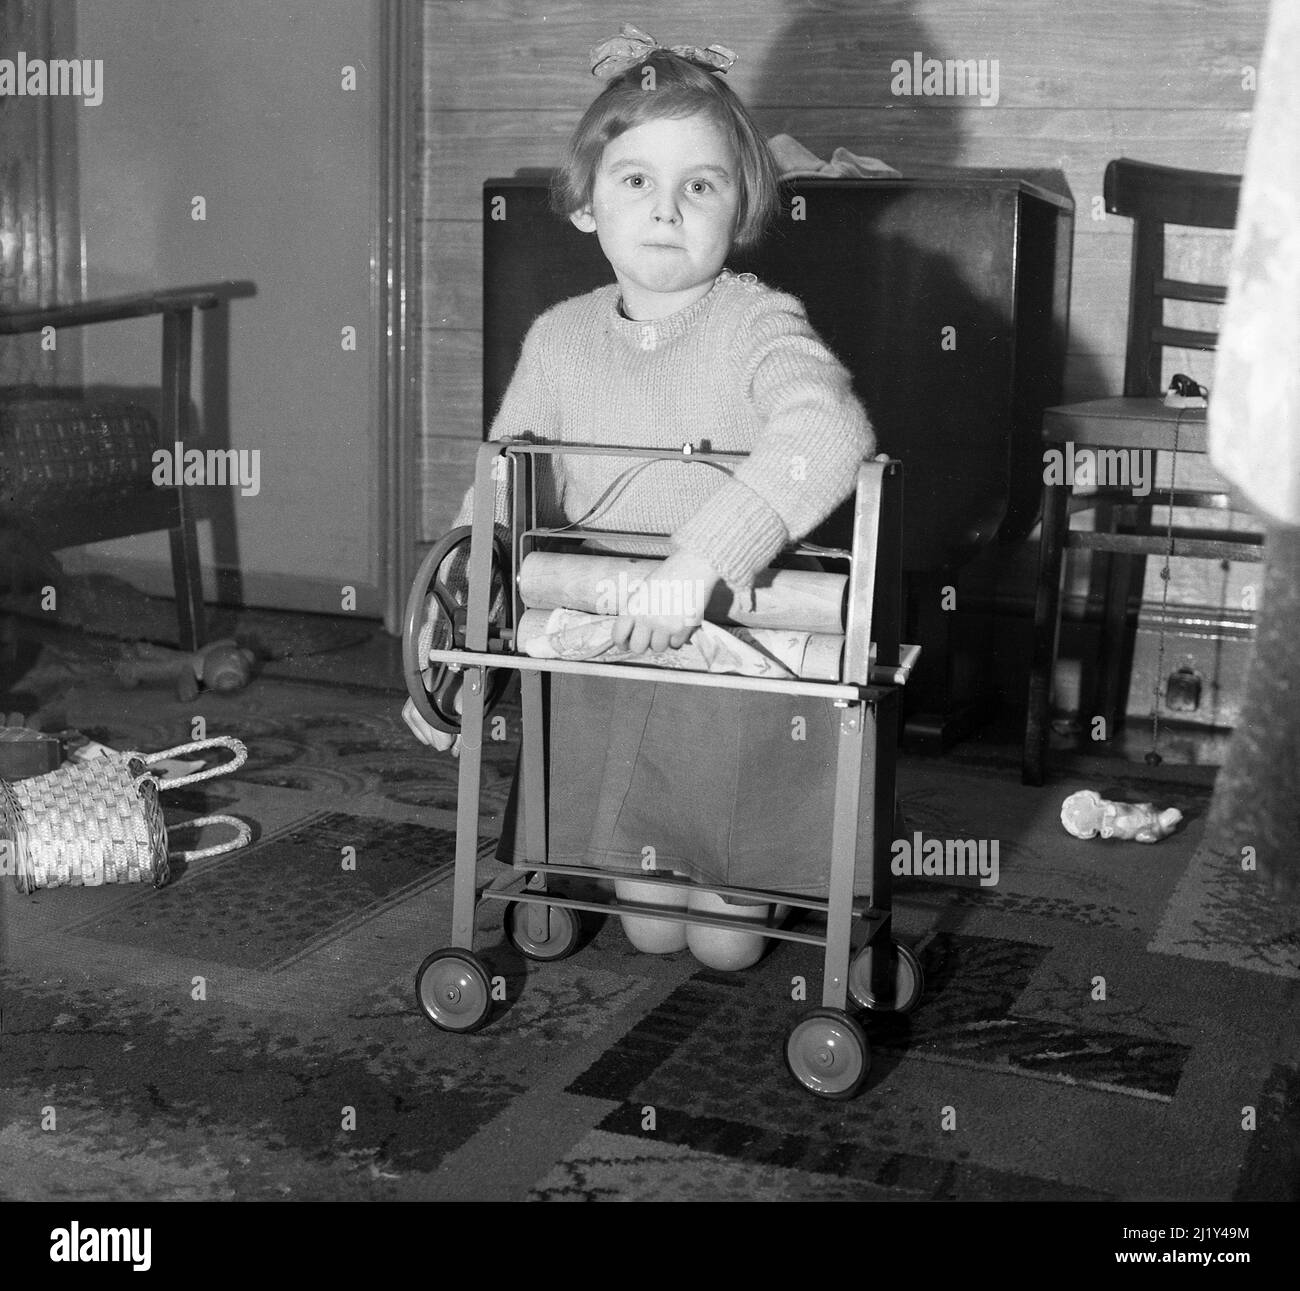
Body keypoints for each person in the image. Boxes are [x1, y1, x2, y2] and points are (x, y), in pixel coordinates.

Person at [405, 27, 876, 967]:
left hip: (732, 646)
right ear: (585, 204)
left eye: (699, 184)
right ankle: (622, 861)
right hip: (610, 653)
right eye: (635, 181)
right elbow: (499, 482)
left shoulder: (757, 320)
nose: (667, 209)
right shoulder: (560, 338)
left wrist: (699, 561)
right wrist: (452, 623)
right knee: (654, 925)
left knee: (725, 945)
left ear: (740, 208)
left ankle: (759, 881)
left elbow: (830, 432)